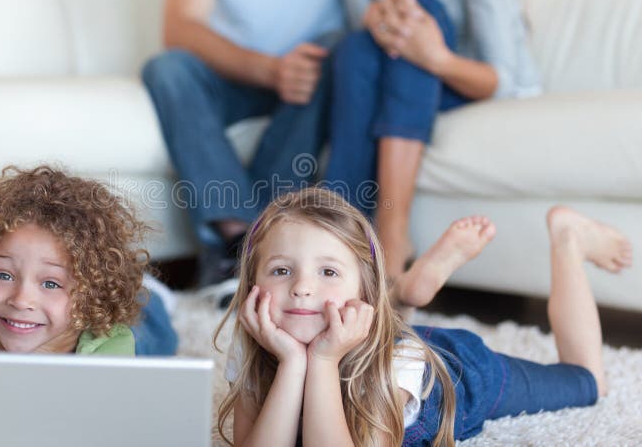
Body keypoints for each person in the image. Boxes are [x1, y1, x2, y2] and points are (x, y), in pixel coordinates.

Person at [215, 188, 631, 445]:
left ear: (364, 291)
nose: (301, 288)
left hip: (460, 371)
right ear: (251, 283)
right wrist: (292, 361)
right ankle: (407, 294)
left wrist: (321, 361)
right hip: (371, 329)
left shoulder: (399, 367)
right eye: (281, 270)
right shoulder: (254, 346)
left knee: (589, 381)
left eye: (327, 272)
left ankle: (568, 239)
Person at [323, 0, 539, 282]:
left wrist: (435, 57)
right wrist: (381, 20)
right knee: (356, 48)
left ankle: (390, 236)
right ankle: (334, 239)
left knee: (425, 11)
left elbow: (504, 80)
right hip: (396, 74)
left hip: (471, 81)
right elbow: (362, 18)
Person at [141, 0, 346, 286]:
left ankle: (261, 242)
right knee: (169, 69)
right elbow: (180, 27)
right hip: (235, 73)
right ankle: (238, 238)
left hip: (314, 76)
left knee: (336, 50)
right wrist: (271, 71)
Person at [0, 165, 177, 355]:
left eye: (51, 283)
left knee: (155, 334)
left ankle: (154, 293)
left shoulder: (110, 341)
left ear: (91, 293)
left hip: (126, 325)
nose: (22, 300)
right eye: (3, 275)